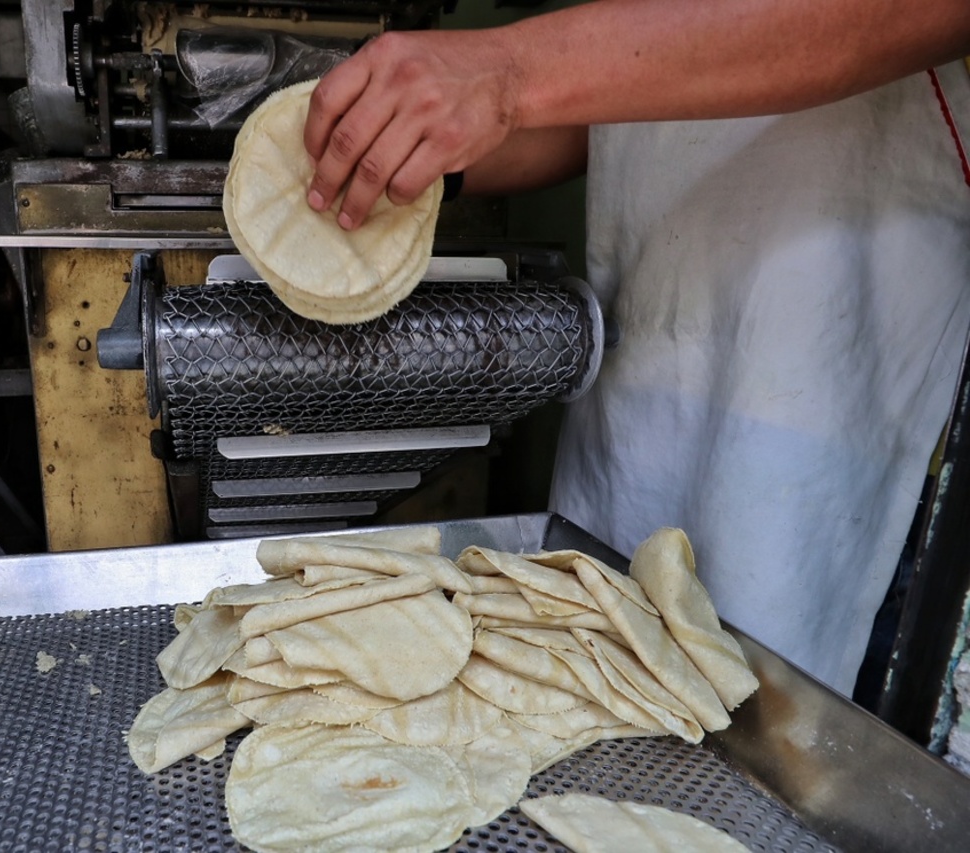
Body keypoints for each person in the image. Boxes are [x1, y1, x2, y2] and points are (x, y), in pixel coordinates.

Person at [302, 1, 970, 696]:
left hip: (835, 415)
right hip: (643, 379)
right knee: (607, 698)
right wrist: (403, 149)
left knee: (775, 751)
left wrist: (504, 73)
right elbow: (635, 121)